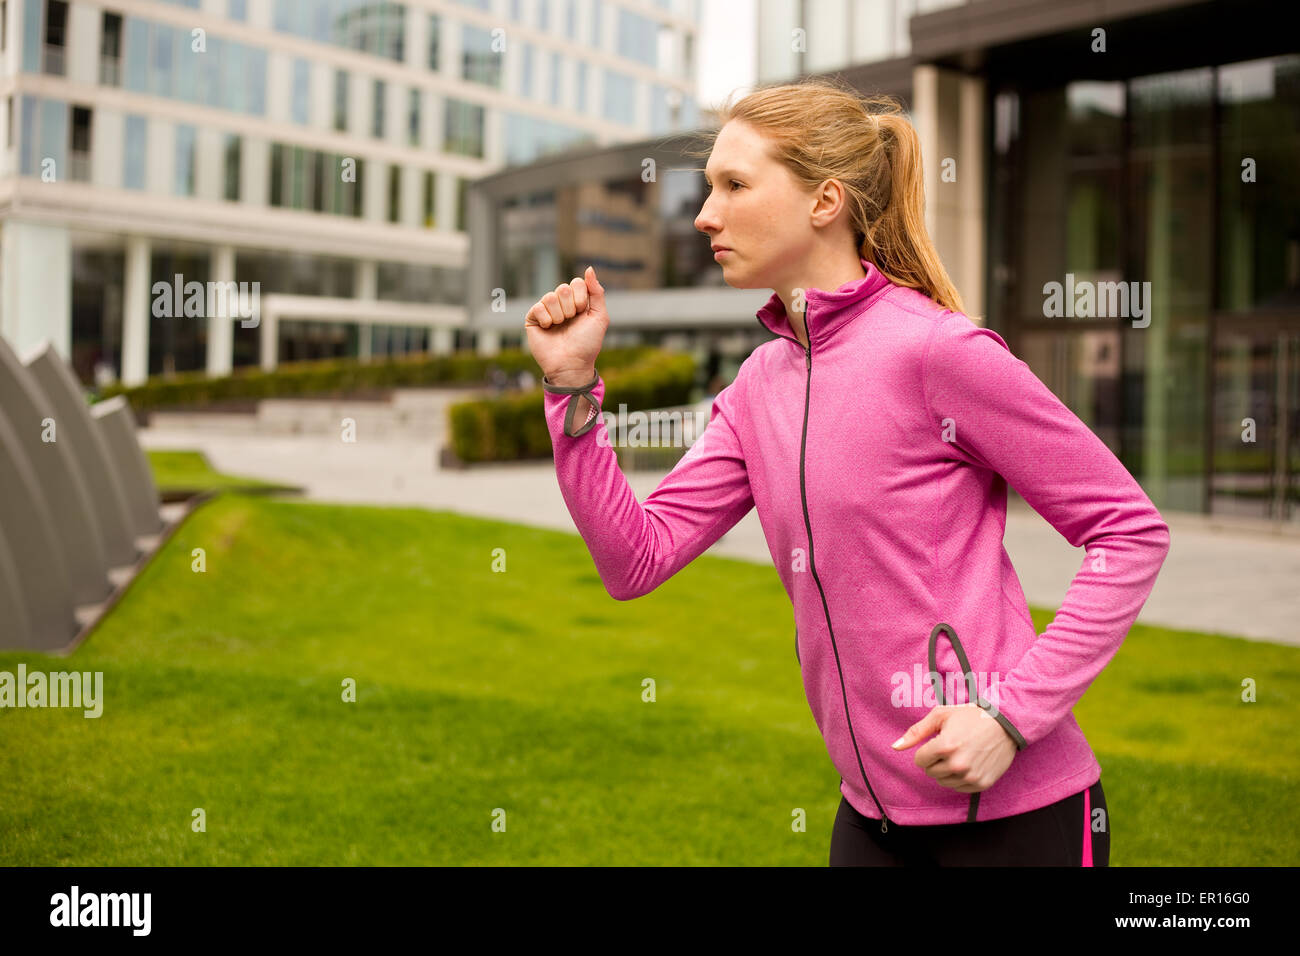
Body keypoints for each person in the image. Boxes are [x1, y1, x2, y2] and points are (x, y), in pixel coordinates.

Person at [522, 77, 1171, 866]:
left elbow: (1128, 529)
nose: (704, 215)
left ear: (824, 201)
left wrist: (1009, 716)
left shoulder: (937, 352)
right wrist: (569, 389)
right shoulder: (760, 385)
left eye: (734, 185)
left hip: (1015, 822)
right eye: (706, 188)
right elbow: (636, 559)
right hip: (868, 824)